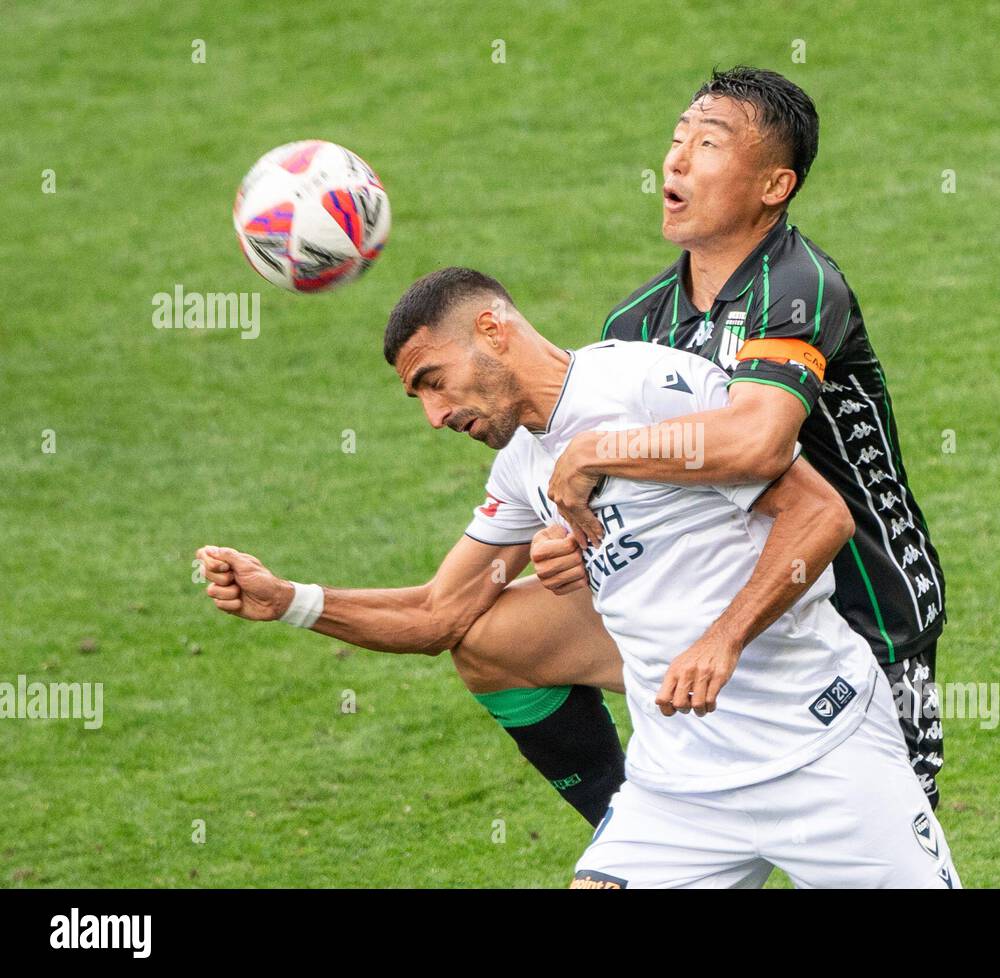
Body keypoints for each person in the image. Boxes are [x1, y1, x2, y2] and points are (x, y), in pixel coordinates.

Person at [198, 267, 960, 887]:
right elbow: (440, 614)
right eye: (417, 397)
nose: (433, 415)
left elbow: (818, 519)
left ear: (493, 330)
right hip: (681, 789)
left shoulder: (647, 386)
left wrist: (723, 640)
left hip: (818, 749)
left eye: (434, 380)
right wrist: (289, 601)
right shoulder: (523, 464)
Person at [444, 66, 949, 821]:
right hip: (706, 609)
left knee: (881, 852)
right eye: (676, 141)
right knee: (490, 640)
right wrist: (571, 541)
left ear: (774, 186)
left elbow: (756, 443)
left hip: (859, 611)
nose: (674, 162)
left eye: (706, 146)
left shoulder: (802, 287)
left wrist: (596, 456)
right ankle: (630, 833)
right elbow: (633, 491)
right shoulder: (636, 324)